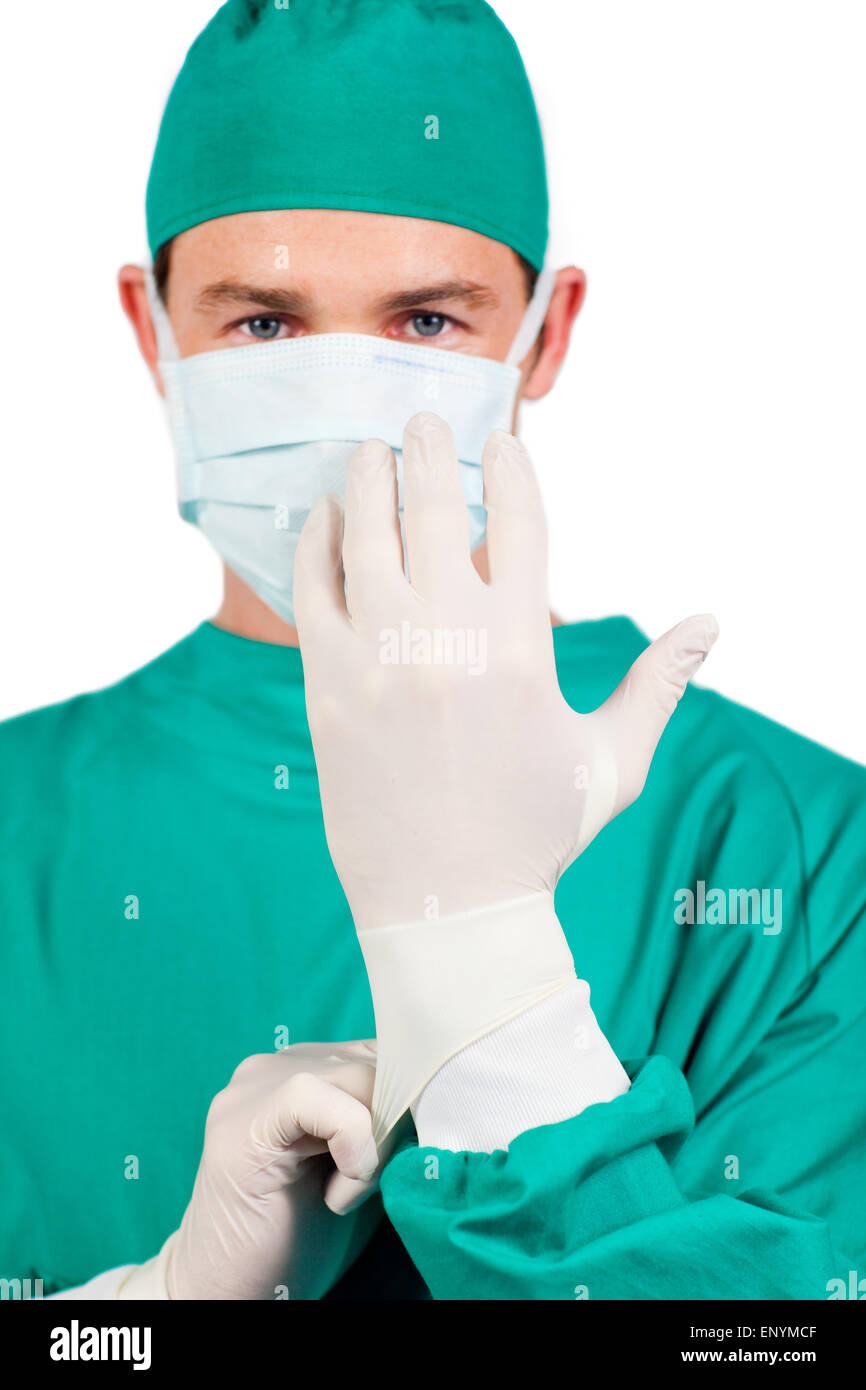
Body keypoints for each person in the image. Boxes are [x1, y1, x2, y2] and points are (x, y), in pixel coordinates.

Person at [3, 0, 864, 1302]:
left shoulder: (803, 851)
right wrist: (158, 1310)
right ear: (149, 328)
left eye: (423, 323)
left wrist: (487, 972)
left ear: (546, 332)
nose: (348, 402)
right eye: (264, 326)